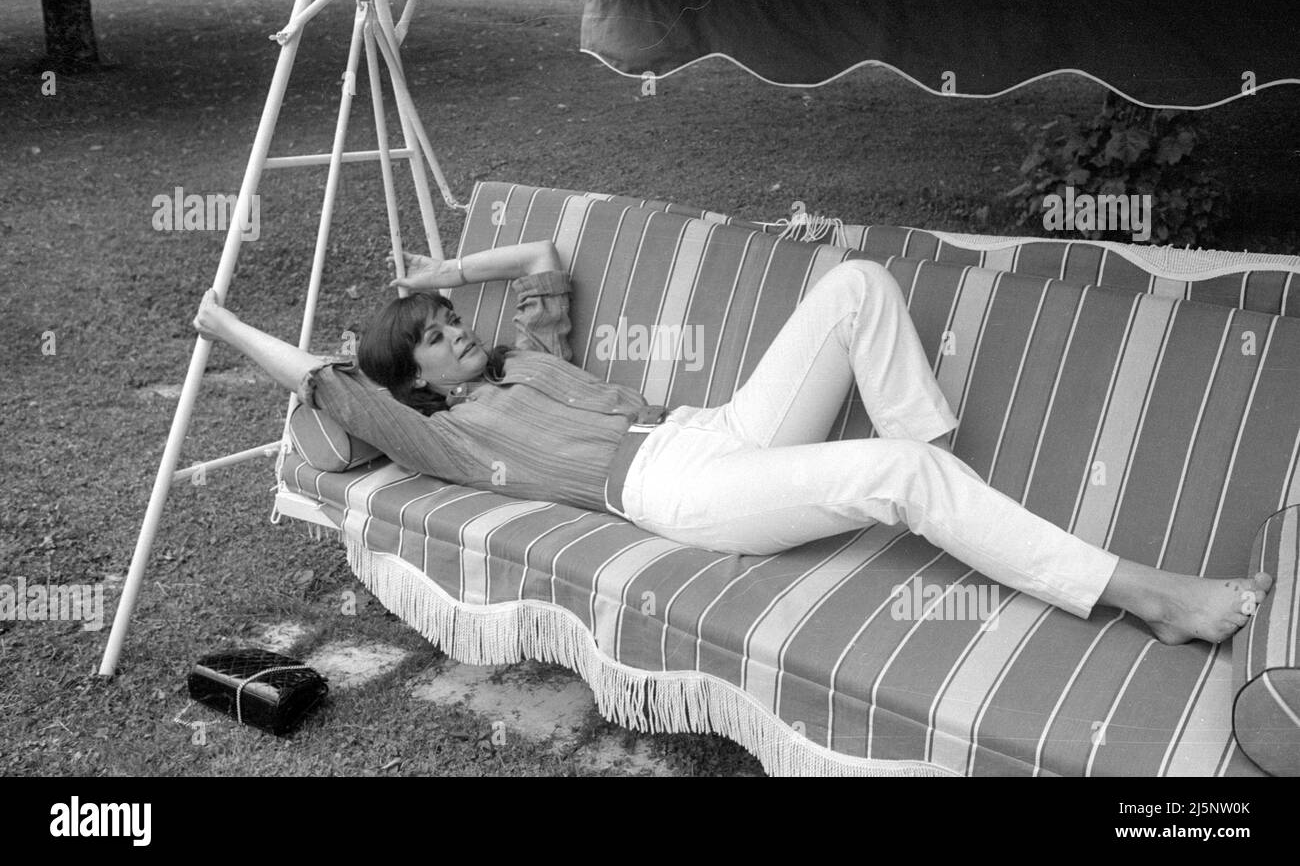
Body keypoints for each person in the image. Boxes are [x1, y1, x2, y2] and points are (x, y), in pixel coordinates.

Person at [194, 240, 1272, 645]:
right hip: (670, 489)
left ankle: (955, 489)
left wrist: (446, 267)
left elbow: (545, 263)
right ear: (411, 382)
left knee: (854, 284)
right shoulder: (450, 438)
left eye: (448, 321)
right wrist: (226, 325)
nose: (456, 335)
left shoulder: (520, 360)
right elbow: (321, 380)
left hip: (710, 428)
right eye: (432, 338)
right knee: (899, 473)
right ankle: (1140, 591)